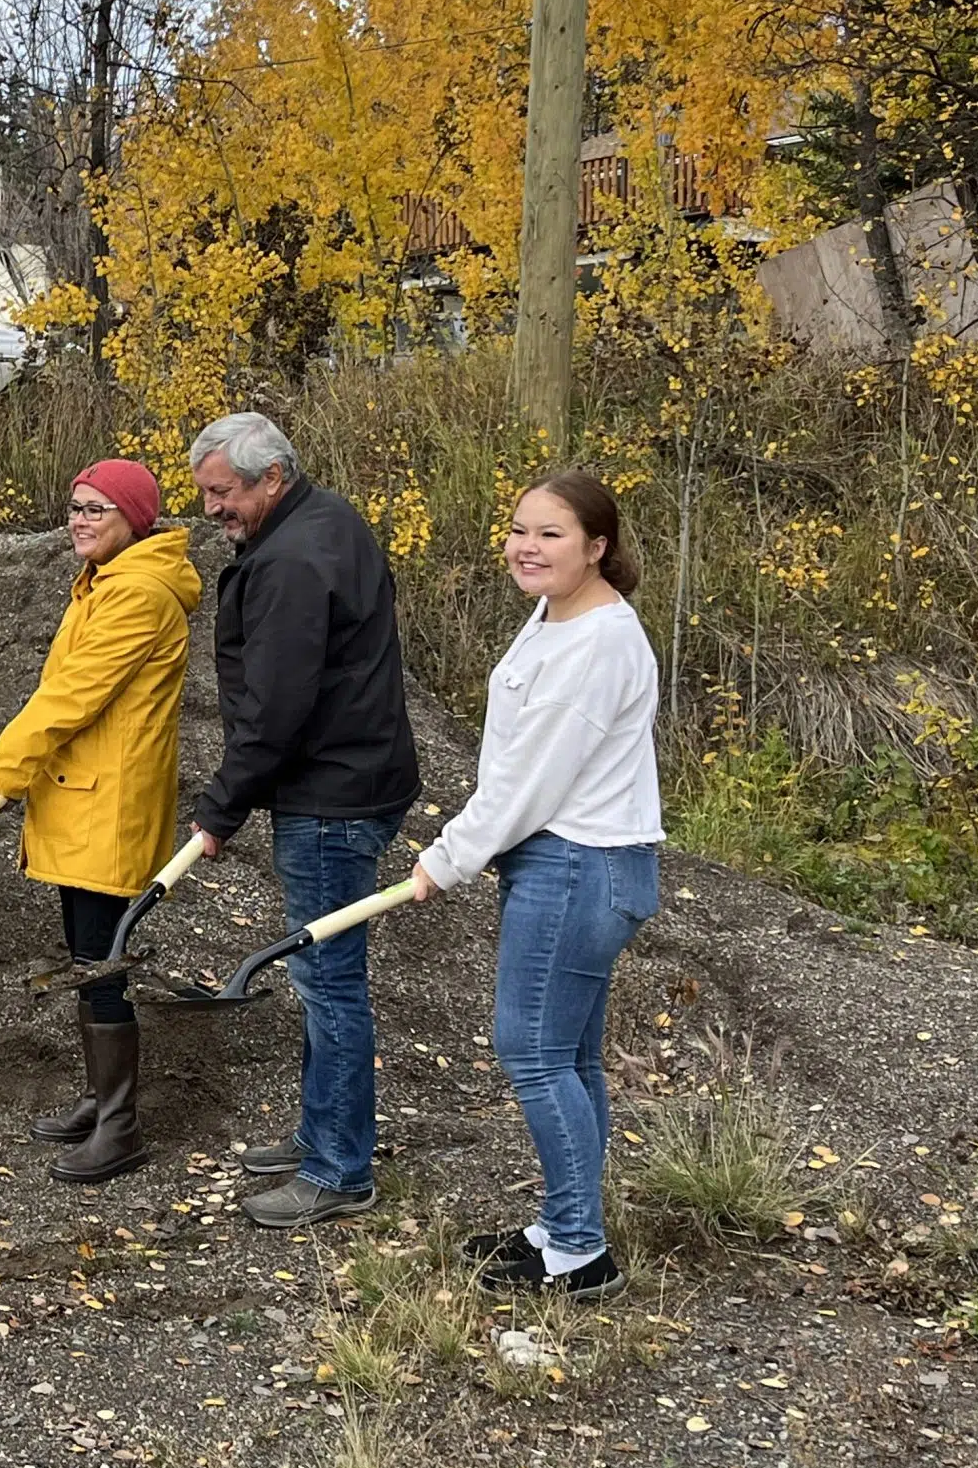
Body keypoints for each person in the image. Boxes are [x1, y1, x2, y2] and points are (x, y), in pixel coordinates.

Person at [412, 474, 662, 1301]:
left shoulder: (599, 642)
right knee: (572, 1057)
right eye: (520, 528)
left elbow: (531, 783)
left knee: (534, 1051)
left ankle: (580, 1252)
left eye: (551, 534)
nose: (527, 545)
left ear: (597, 546)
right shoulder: (557, 615)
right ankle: (566, 1227)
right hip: (567, 861)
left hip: (577, 864)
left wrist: (447, 859)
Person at [187, 412, 420, 1231]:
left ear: (272, 476)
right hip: (358, 773)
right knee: (324, 978)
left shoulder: (290, 558)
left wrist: (221, 808)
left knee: (328, 984)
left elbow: (276, 709)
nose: (213, 510)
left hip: (332, 796)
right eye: (206, 493)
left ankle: (338, 1170)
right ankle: (324, 1134)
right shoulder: (325, 519)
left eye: (223, 493)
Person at [0, 458, 202, 1184]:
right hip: (84, 792)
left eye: (97, 508)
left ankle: (122, 1126)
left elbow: (71, 695)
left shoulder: (137, 594)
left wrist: (1, 773)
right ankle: (100, 1099)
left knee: (103, 961)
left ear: (133, 518)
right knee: (86, 956)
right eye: (74, 506)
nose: (79, 519)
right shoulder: (104, 583)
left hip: (110, 802)